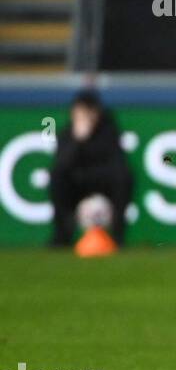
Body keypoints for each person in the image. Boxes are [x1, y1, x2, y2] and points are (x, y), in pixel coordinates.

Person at [48, 89, 134, 250]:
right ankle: (62, 235)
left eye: (90, 111)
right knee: (57, 177)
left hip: (104, 180)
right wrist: (78, 140)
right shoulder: (67, 134)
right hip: (77, 184)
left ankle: (117, 236)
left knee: (124, 177)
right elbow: (62, 165)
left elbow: (117, 163)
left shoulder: (108, 131)